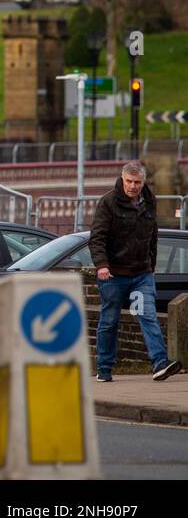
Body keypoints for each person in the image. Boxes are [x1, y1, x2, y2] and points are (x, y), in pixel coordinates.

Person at [90, 162, 181, 382]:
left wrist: (152, 265)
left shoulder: (149, 201)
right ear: (122, 179)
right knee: (110, 321)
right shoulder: (108, 202)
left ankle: (159, 363)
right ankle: (104, 368)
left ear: (143, 182)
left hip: (141, 274)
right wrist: (102, 265)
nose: (132, 186)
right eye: (129, 181)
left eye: (137, 182)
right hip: (113, 274)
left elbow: (153, 235)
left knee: (147, 315)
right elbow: (97, 238)